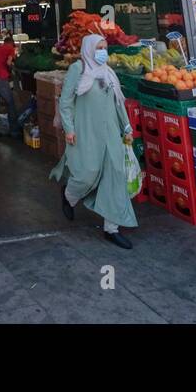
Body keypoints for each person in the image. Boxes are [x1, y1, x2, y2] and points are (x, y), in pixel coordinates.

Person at [51, 34, 137, 249]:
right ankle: (69, 195)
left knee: (114, 178)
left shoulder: (108, 72)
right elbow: (66, 101)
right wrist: (69, 129)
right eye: (99, 47)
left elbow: (118, 102)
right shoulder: (78, 70)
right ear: (88, 48)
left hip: (111, 134)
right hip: (86, 132)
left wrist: (126, 127)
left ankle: (112, 229)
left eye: (105, 47)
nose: (102, 51)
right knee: (88, 172)